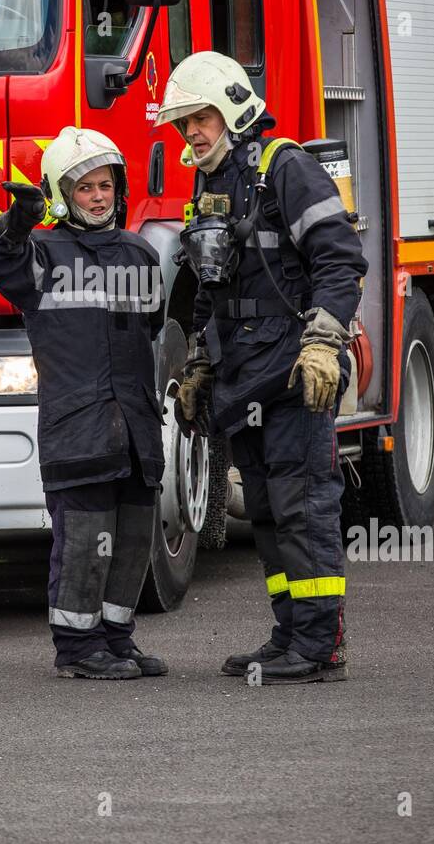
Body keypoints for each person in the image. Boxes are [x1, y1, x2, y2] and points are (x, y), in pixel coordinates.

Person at [154, 51, 368, 684]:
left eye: (201, 118)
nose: (191, 132)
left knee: (303, 506)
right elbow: (209, 289)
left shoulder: (288, 170)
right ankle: (289, 634)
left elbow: (340, 260)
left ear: (233, 107)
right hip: (243, 375)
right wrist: (197, 362)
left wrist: (324, 342)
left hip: (296, 371)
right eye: (183, 123)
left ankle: (320, 642)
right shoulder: (209, 185)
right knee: (271, 511)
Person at [0, 126, 168, 680]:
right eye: (84, 187)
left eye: (106, 185)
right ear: (62, 194)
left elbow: (152, 327)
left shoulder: (138, 252)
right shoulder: (40, 253)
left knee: (132, 537)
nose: (99, 196)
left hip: (134, 427)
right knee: (84, 541)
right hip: (78, 426)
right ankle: (77, 650)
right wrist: (19, 221)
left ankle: (116, 638)